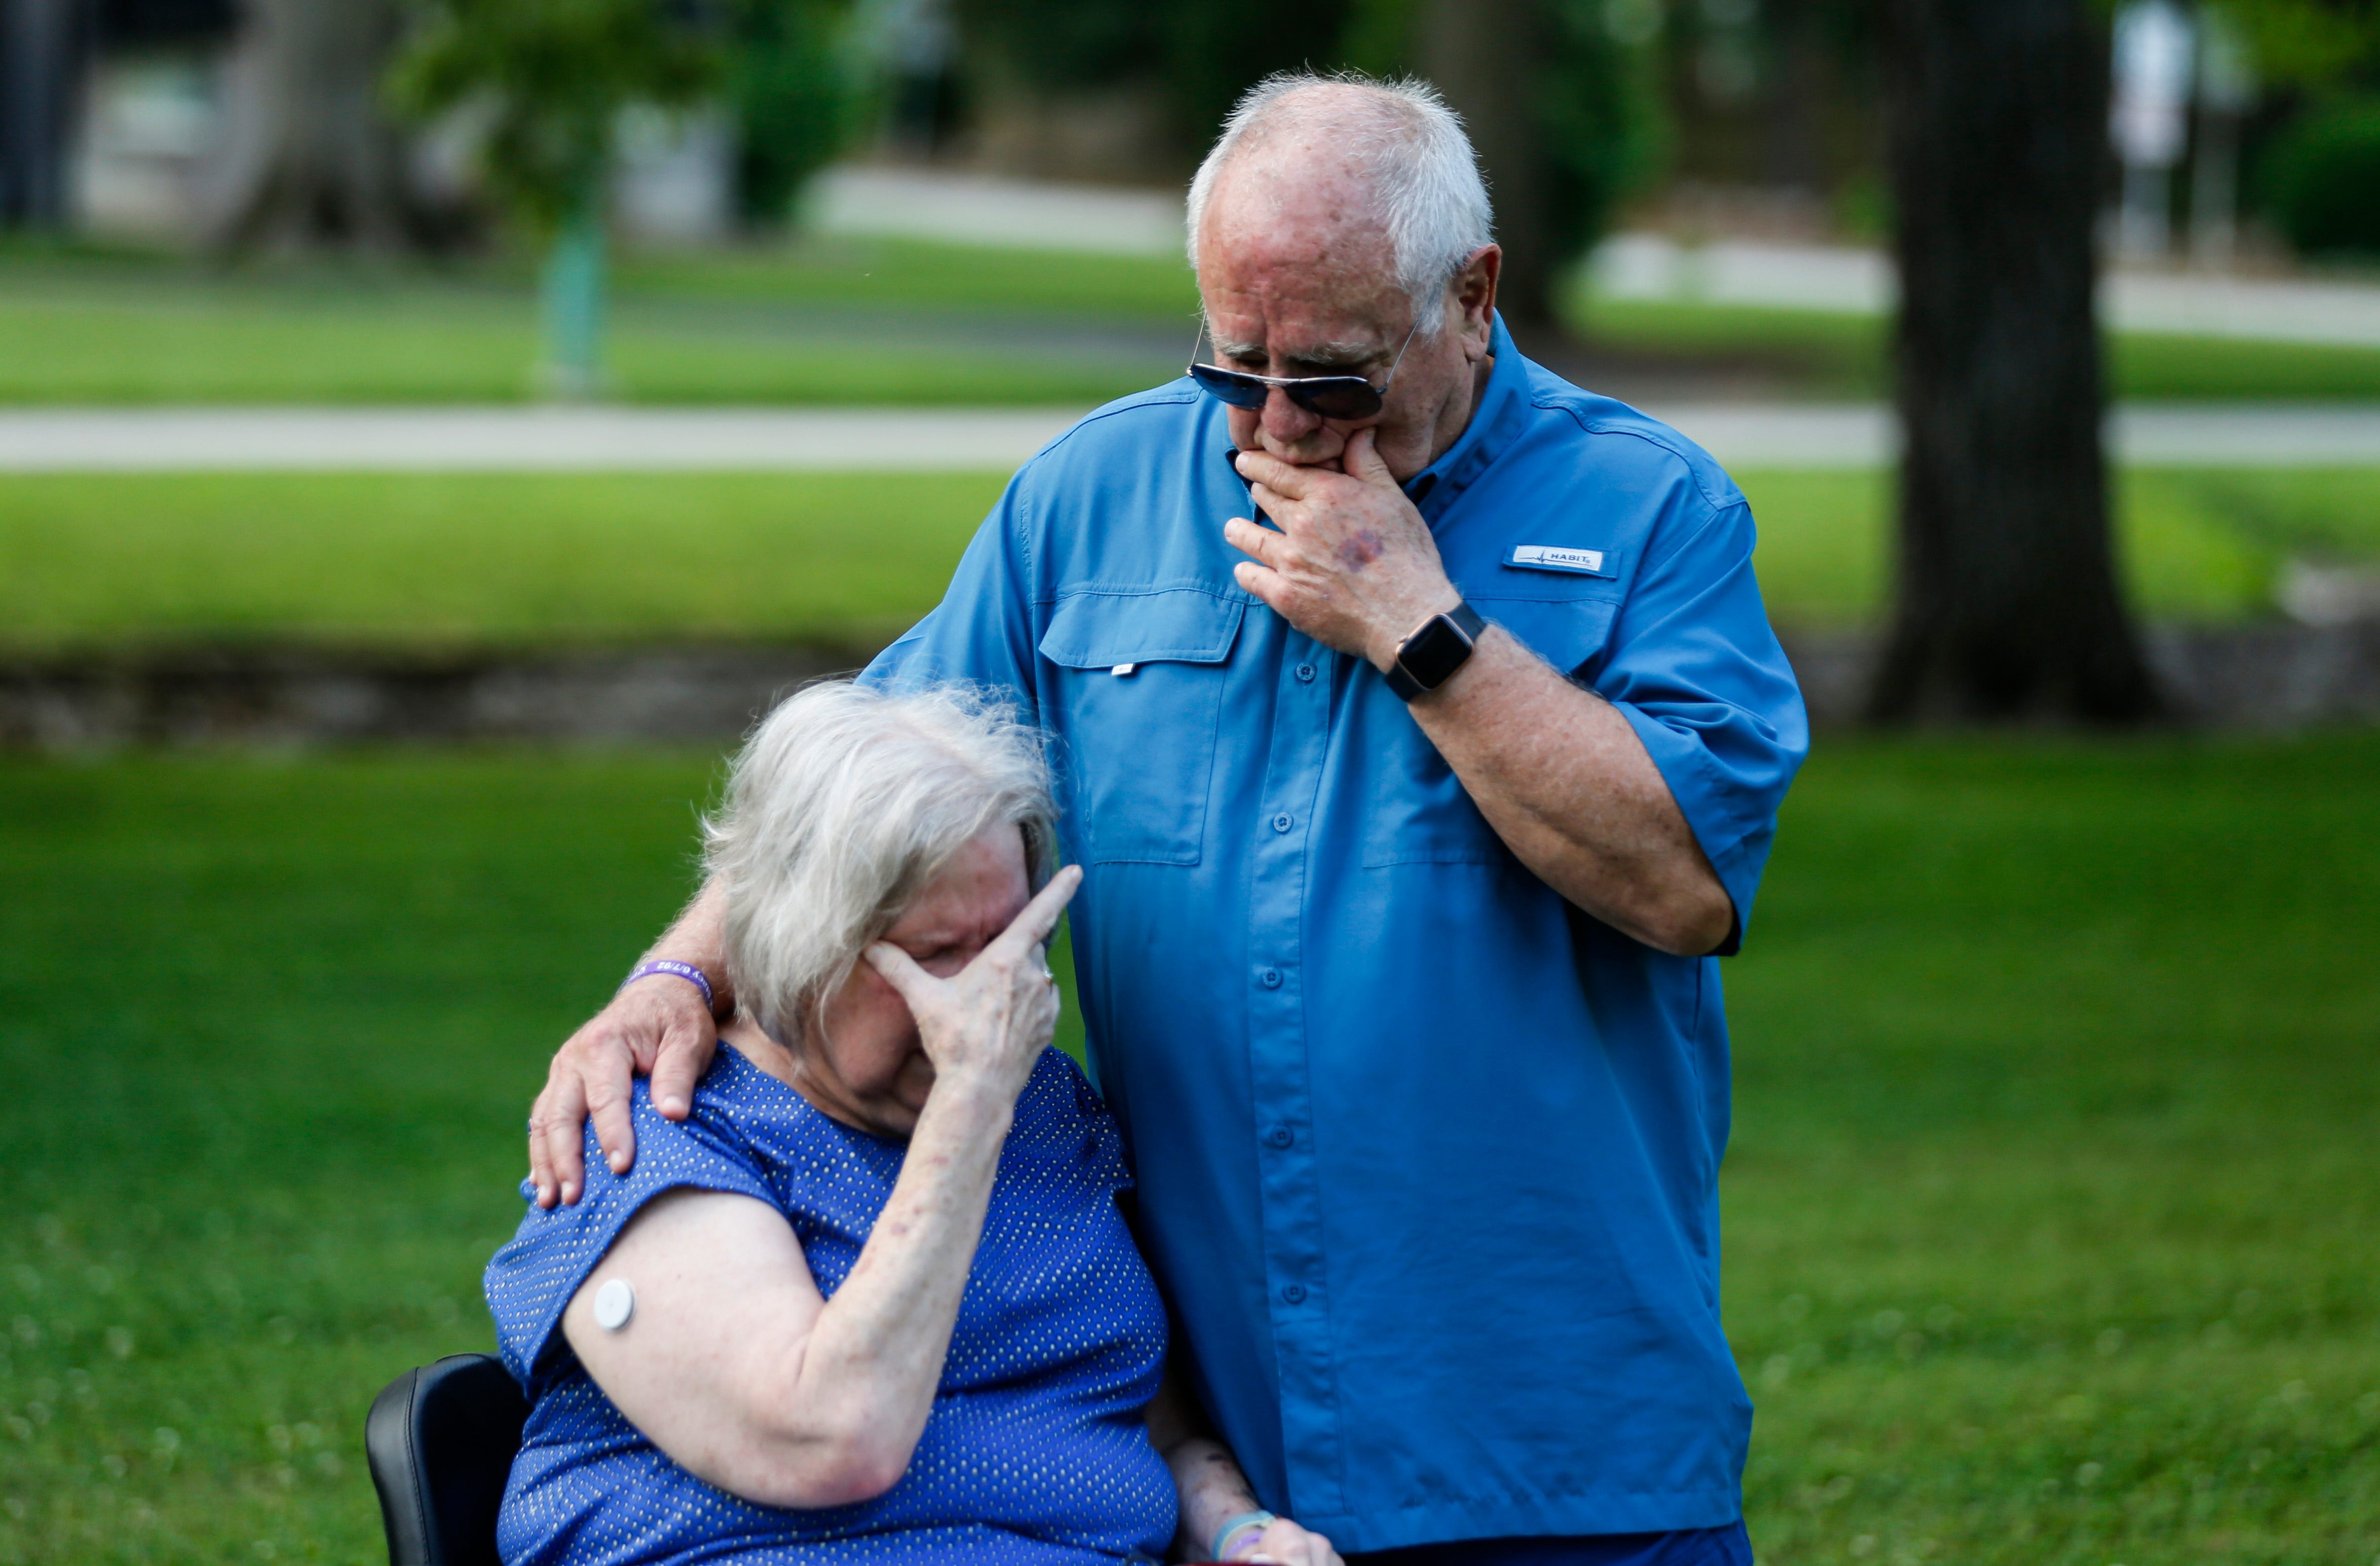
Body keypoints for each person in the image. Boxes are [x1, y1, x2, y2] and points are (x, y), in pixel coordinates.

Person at [531, 73, 1807, 1564]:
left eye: (1330, 378)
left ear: (1470, 298)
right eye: (1232, 366)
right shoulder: (1091, 497)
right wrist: (675, 979)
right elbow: (854, 799)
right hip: (1209, 1452)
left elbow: (1685, 883)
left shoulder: (1653, 509)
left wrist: (1419, 620)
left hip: (1553, 1438)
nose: (1272, 424)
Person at [484, 682, 1343, 1565]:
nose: (994, 997)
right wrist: (968, 1108)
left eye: (1016, 942)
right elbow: (826, 1441)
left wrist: (1234, 1530)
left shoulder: (1041, 1108)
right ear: (797, 944)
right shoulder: (659, 1133)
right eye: (936, 954)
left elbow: (1145, 1425)